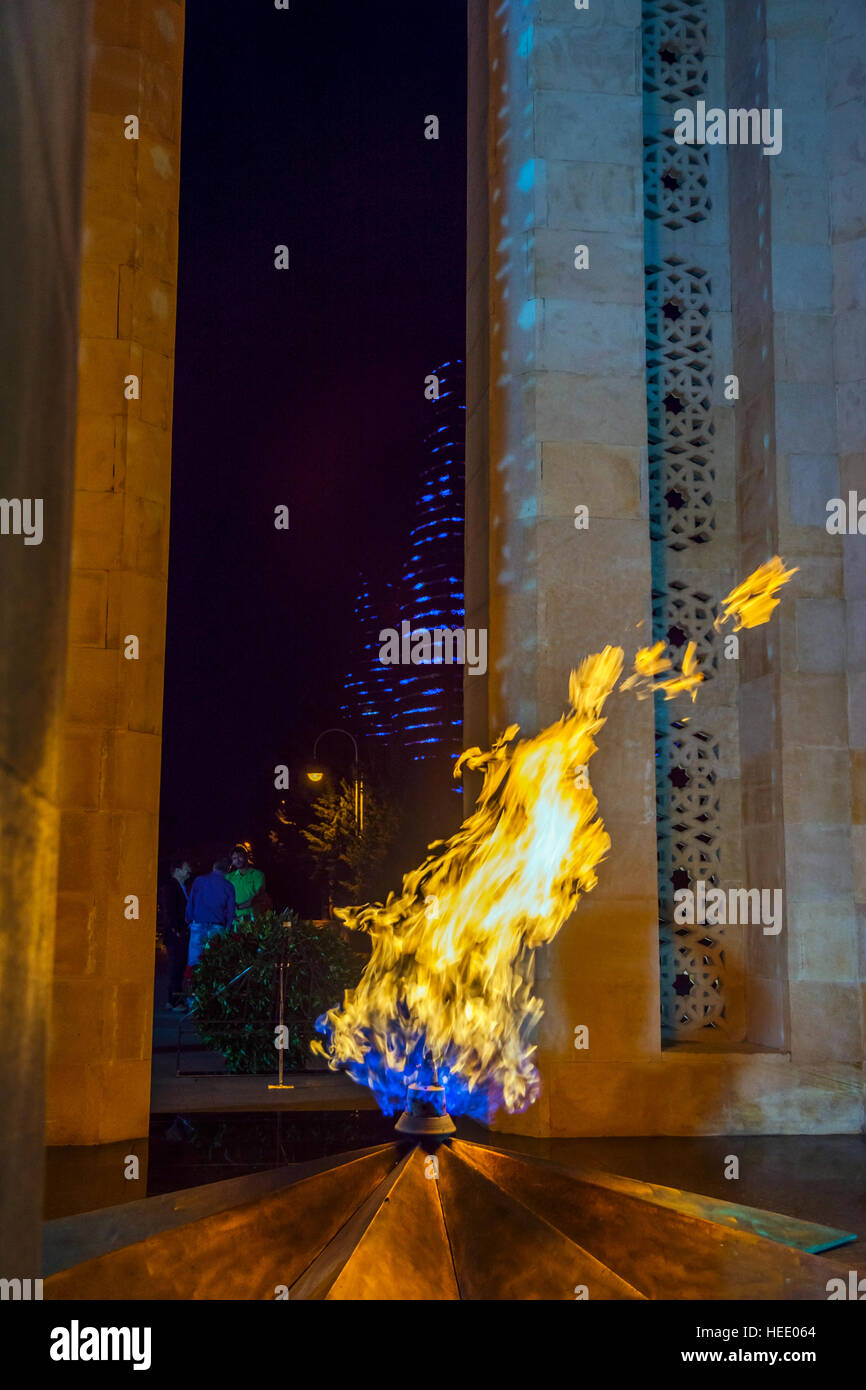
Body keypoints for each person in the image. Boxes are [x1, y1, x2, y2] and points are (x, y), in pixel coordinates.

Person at [183, 859, 236, 994]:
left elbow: (191, 903)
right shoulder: (228, 886)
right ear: (228, 869)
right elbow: (230, 913)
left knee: (194, 964)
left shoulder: (199, 881)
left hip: (198, 925)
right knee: (215, 963)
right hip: (217, 928)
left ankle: (193, 999)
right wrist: (228, 929)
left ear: (213, 866)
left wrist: (189, 920)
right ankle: (212, 997)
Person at [157, 857, 192, 1011]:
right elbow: (169, 912)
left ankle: (174, 1000)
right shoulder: (170, 887)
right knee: (176, 967)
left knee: (178, 967)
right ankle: (174, 1000)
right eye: (186, 867)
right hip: (175, 935)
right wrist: (176, 931)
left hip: (180, 933)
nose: (189, 870)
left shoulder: (183, 886)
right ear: (177, 870)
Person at [226, 843, 267, 923]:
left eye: (240, 857)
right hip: (236, 921)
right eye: (234, 858)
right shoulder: (229, 877)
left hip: (254, 919)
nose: (237, 860)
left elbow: (258, 896)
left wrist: (238, 907)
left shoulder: (257, 875)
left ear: (246, 856)